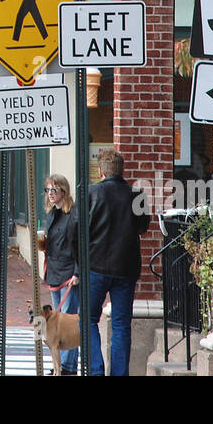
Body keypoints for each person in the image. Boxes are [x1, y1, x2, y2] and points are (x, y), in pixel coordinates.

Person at [81, 146, 149, 376]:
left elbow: (77, 230)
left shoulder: (90, 193)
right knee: (121, 324)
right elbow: (143, 227)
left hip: (96, 266)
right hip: (126, 267)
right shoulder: (136, 195)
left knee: (88, 319)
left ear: (101, 171)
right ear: (122, 171)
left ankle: (96, 370)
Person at [41, 173, 79, 374]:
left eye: (54, 190)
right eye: (48, 190)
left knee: (69, 322)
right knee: (56, 322)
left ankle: (68, 366)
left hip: (68, 273)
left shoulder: (72, 214)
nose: (50, 194)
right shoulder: (51, 214)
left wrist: (77, 272)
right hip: (54, 271)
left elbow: (78, 245)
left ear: (64, 190)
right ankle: (59, 366)